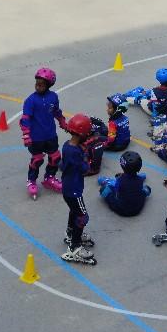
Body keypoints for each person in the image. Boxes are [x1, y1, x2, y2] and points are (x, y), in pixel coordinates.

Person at [21, 66, 69, 200]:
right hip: (36, 138)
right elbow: (25, 119)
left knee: (55, 157)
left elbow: (56, 111)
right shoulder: (30, 100)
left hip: (50, 135)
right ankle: (31, 180)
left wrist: (62, 121)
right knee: (37, 160)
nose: (38, 86)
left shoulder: (53, 97)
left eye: (42, 84)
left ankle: (50, 178)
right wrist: (26, 135)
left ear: (49, 85)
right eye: (37, 83)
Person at [59, 113, 97, 264]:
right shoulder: (76, 152)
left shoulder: (67, 146)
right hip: (74, 190)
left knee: (74, 211)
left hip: (68, 187)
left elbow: (63, 165)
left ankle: (70, 233)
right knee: (82, 216)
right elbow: (85, 169)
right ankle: (75, 247)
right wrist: (87, 155)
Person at [98, 150, 150, 217]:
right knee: (146, 189)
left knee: (104, 189)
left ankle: (105, 180)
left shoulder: (120, 180)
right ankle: (146, 190)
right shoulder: (139, 180)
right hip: (137, 208)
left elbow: (116, 191)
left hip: (122, 209)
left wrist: (113, 182)